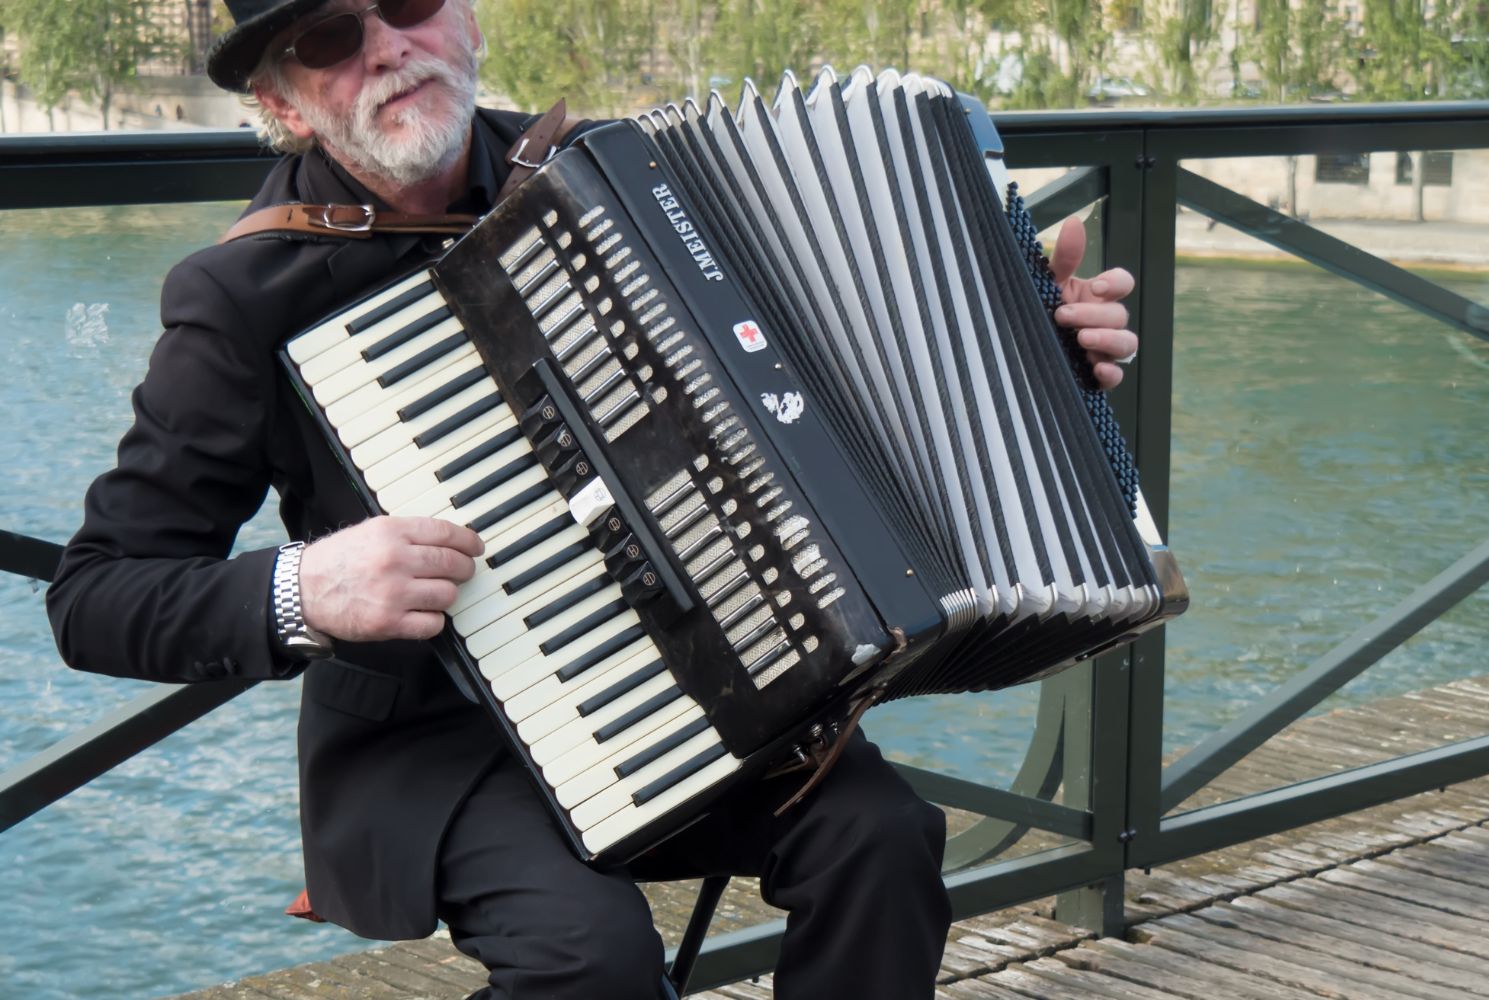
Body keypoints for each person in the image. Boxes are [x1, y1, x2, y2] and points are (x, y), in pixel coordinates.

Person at [44, 0, 1140, 996]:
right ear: (283, 102)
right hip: (439, 741)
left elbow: (823, 376)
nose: (389, 46)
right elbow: (96, 595)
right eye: (331, 39)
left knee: (886, 841)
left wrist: (1027, 360)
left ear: (464, 19)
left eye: (411, 4)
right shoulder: (242, 296)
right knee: (595, 963)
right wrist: (307, 587)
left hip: (704, 675)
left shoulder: (612, 173)